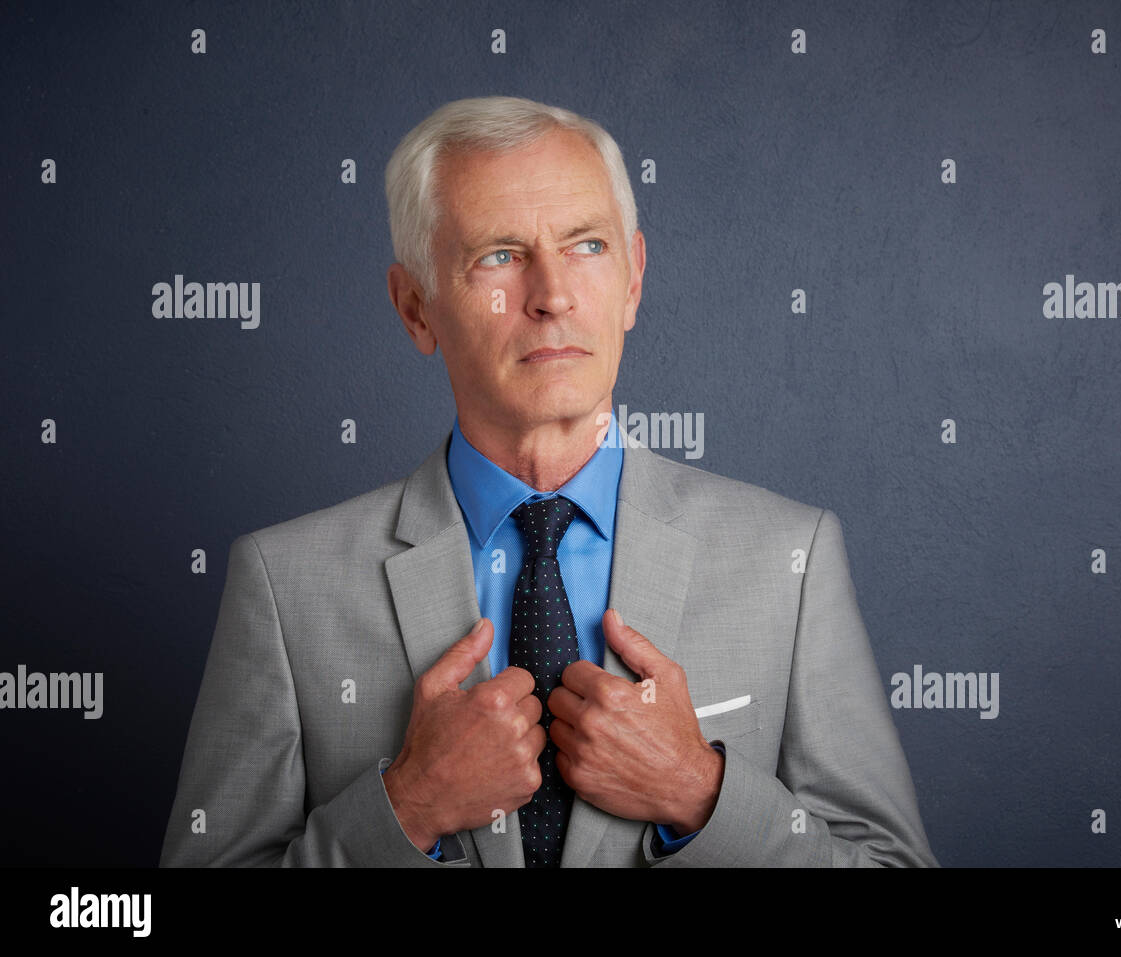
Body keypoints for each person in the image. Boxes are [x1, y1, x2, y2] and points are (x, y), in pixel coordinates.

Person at [160, 95, 938, 867]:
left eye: (587, 246)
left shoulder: (790, 559)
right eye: (499, 254)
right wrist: (408, 808)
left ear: (633, 279)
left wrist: (700, 793)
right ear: (415, 308)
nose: (553, 295)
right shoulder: (284, 582)